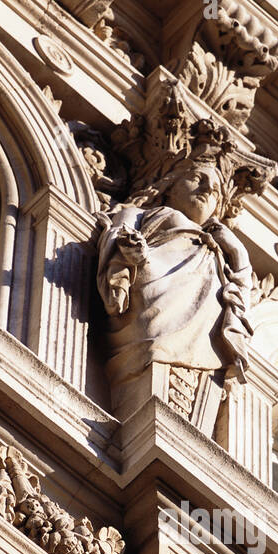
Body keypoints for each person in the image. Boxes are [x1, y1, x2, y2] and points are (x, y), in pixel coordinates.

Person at [95, 147, 255, 415]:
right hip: (153, 302)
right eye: (197, 179)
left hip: (203, 328)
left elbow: (239, 301)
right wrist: (132, 256)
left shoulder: (218, 249)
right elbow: (118, 239)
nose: (207, 189)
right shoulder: (142, 214)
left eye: (215, 190)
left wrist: (238, 253)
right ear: (168, 186)